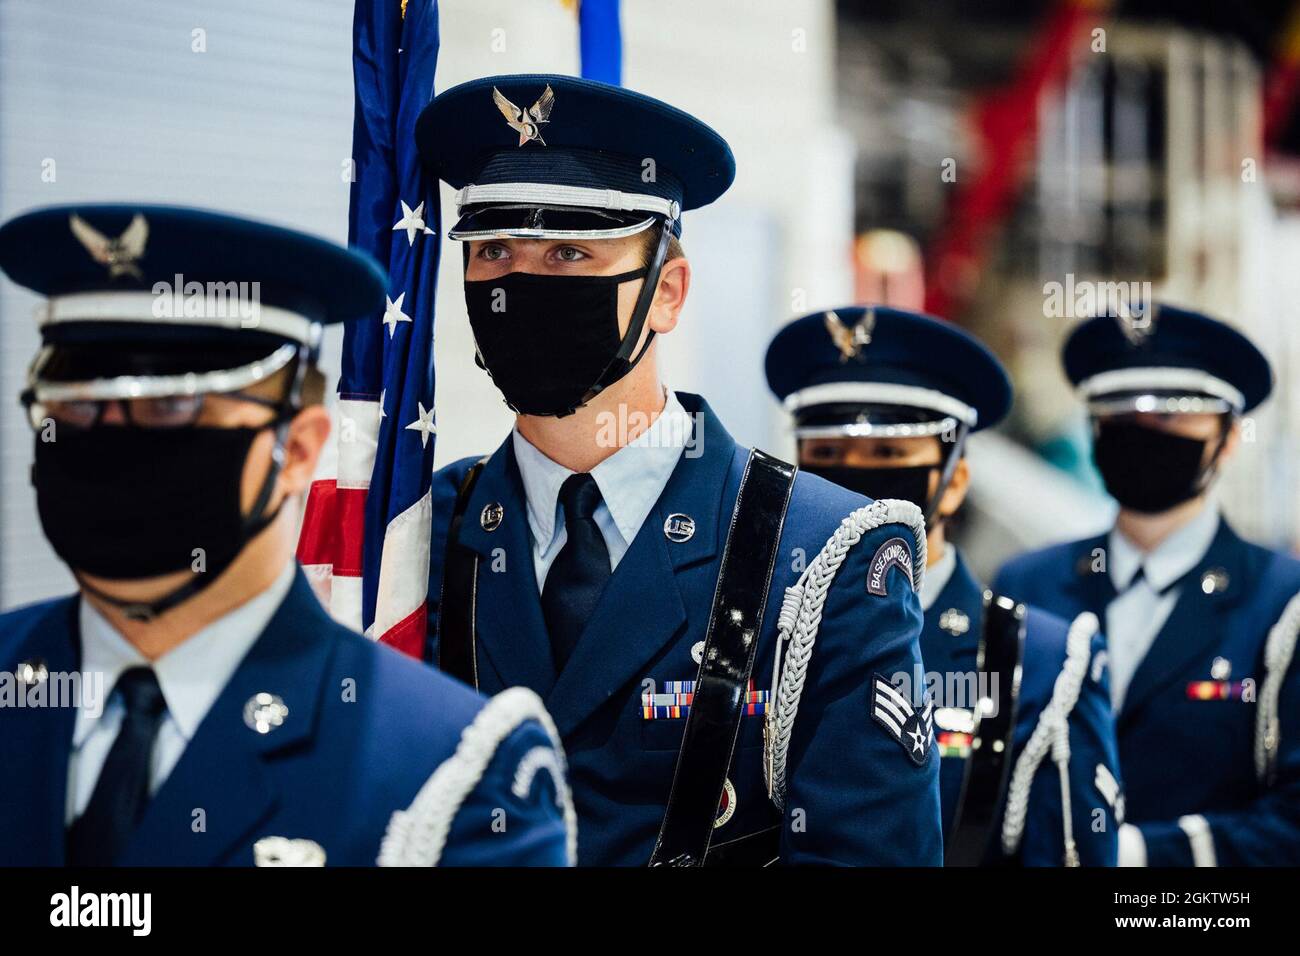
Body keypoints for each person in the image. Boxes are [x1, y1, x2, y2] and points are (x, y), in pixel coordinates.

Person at [417, 74, 943, 866]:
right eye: (493, 250)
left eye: (569, 252)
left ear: (667, 293)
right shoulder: (423, 532)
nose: (519, 285)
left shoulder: (825, 555)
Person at [0, 204, 573, 867]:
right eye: (75, 407)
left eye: (170, 406)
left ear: (297, 450)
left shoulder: (449, 773)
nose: (110, 439)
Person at [765, 305, 1121, 866]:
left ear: (954, 481)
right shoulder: (757, 633)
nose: (853, 478)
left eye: (888, 455)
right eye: (827, 455)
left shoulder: (1044, 663)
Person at [995, 302, 1300, 866]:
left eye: (1169, 419)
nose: (1142, 435)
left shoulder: (1283, 601)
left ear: (1228, 437)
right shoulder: (1026, 585)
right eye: (1119, 418)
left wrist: (1128, 853)